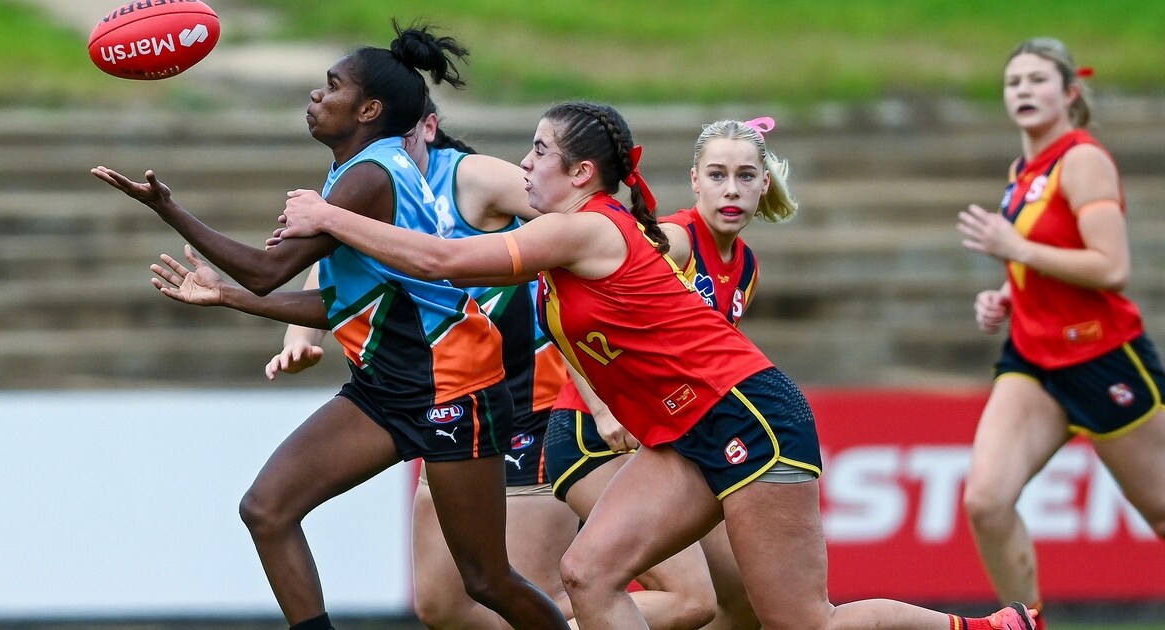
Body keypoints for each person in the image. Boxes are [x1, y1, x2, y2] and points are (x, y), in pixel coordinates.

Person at [274, 100, 1037, 630]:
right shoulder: (582, 233)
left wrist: (328, 214)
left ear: (581, 174)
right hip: (685, 433)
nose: (524, 163)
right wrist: (261, 293)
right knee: (589, 574)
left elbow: (441, 260)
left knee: (801, 620)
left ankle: (985, 627)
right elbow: (420, 266)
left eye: (539, 151)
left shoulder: (582, 229)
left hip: (751, 420)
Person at [93, 21, 569, 630]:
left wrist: (169, 210)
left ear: (369, 110)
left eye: (333, 85)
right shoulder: (361, 171)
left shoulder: (370, 178)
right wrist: (226, 297)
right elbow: (343, 304)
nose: (317, 95)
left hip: (454, 388)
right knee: (267, 509)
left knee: (486, 580)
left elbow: (267, 271)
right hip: (387, 387)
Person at [266, 101, 579, 629]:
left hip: (529, 403)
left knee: (513, 592)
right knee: (443, 607)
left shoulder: (471, 178)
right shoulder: (367, 181)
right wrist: (298, 339)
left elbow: (580, 224)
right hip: (436, 398)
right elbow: (332, 268)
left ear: (427, 127)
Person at [542, 117, 794, 630]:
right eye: (717, 175)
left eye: (745, 176)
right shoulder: (673, 241)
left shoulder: (746, 267)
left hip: (670, 439)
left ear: (764, 183)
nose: (731, 190)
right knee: (689, 599)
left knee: (744, 602)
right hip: (596, 433)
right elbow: (569, 301)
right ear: (695, 180)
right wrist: (604, 409)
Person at [957, 37, 1165, 629]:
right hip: (1033, 358)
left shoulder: (1083, 160)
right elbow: (1041, 257)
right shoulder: (1022, 170)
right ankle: (1026, 624)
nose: (1022, 90)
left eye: (1037, 80)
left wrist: (1016, 249)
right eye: (1013, 82)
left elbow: (1111, 267)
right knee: (986, 502)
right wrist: (1007, 292)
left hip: (1102, 356)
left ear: (1070, 93)